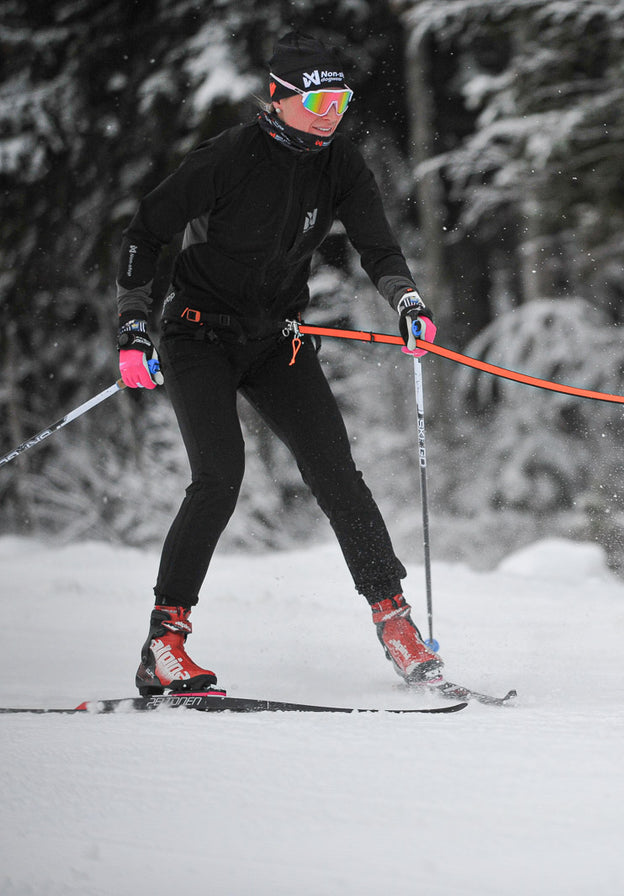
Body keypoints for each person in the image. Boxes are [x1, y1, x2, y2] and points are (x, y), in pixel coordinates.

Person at [115, 31, 445, 696]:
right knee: (218, 478)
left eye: (342, 99)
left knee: (336, 473)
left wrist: (405, 300)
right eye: (320, 99)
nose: (333, 112)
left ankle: (395, 621)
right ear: (281, 97)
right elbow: (147, 232)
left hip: (277, 339)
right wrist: (132, 326)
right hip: (197, 336)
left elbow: (377, 248)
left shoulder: (341, 164)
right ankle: (163, 644)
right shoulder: (228, 157)